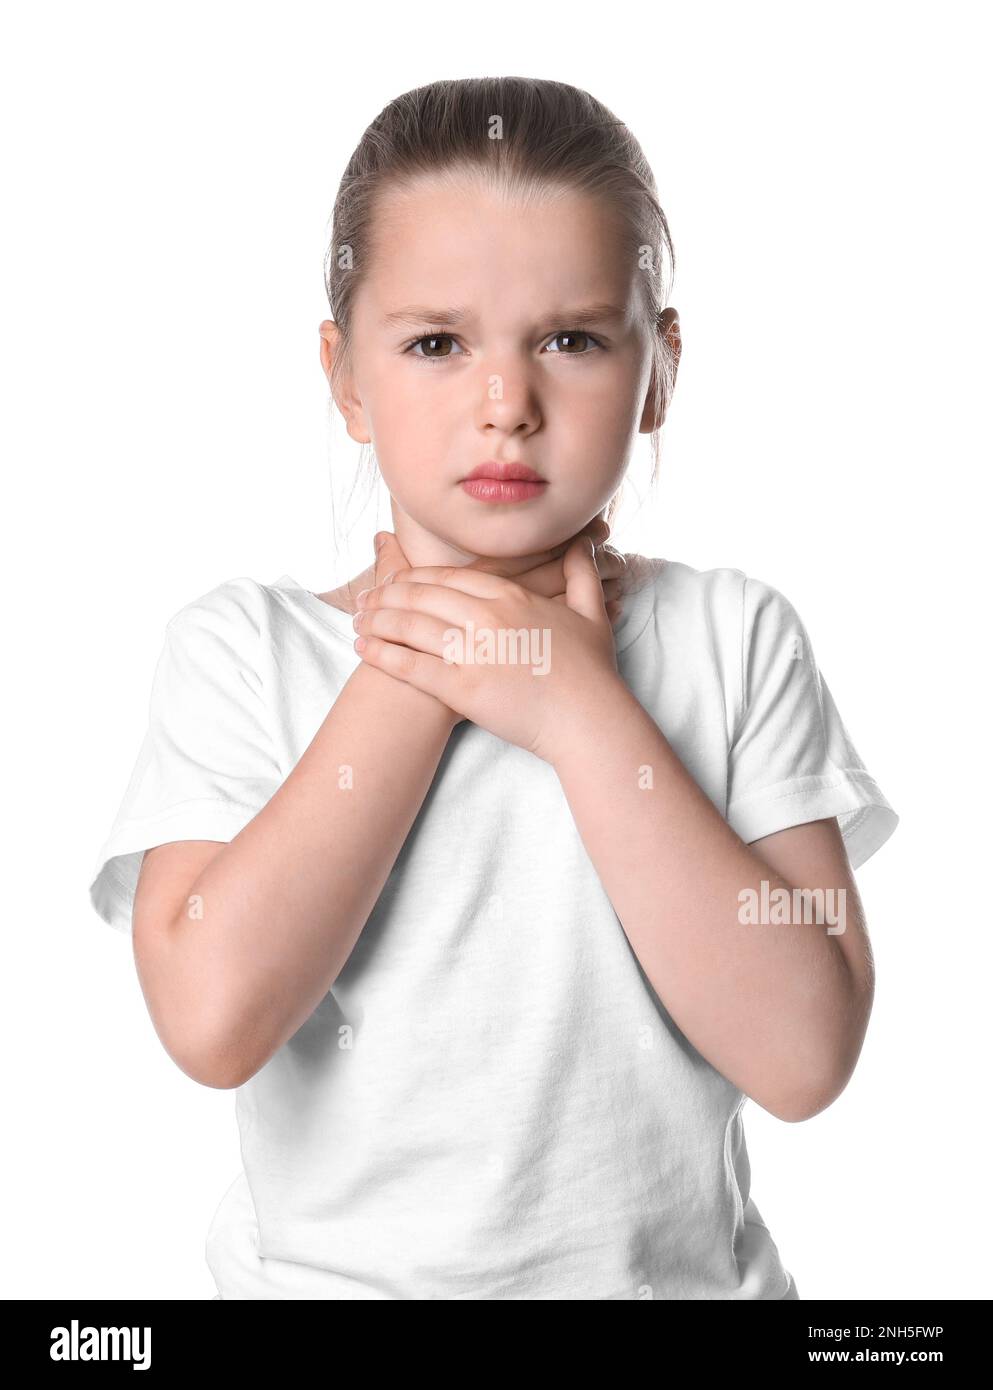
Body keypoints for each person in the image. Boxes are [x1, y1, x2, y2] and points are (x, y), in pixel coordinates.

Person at [88, 76, 898, 1301]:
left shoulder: (733, 638)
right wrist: (436, 664)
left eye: (571, 338)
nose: (506, 405)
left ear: (659, 369)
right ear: (347, 379)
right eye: (435, 343)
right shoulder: (242, 651)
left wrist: (579, 711)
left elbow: (803, 1055)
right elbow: (211, 1019)